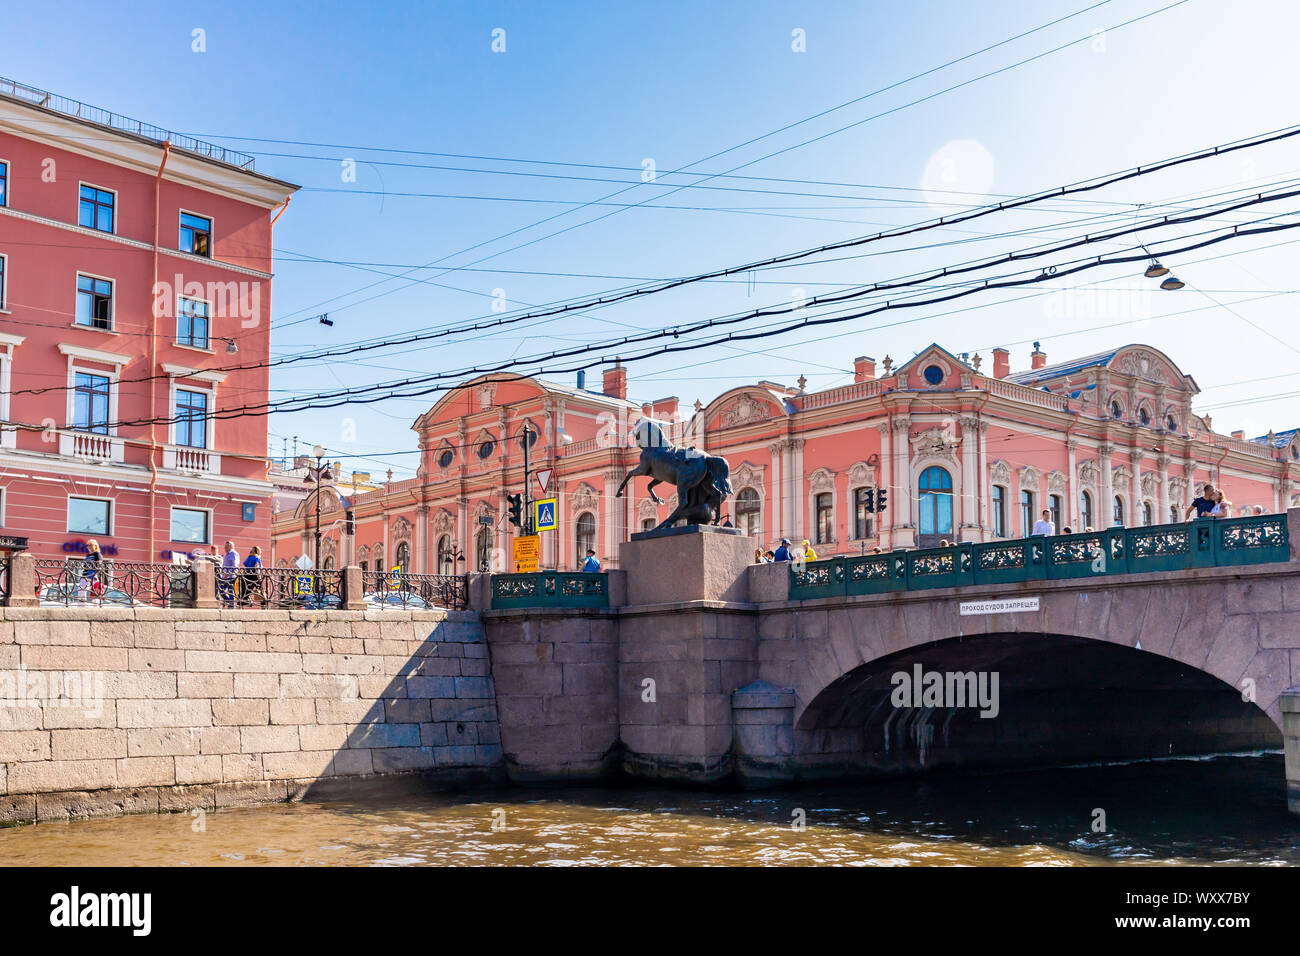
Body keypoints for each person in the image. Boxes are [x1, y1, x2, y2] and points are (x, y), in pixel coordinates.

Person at [76, 539, 103, 604]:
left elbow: (99, 563)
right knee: (81, 590)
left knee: (95, 591)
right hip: (85, 575)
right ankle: (81, 606)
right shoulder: (88, 555)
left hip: (93, 575)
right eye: (88, 545)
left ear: (95, 546)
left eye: (91, 545)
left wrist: (96, 571)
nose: (89, 547)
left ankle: (96, 606)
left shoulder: (97, 553)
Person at [219, 541, 240, 606]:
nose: (224, 548)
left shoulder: (233, 553)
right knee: (221, 590)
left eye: (226, 546)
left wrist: (228, 573)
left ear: (230, 546)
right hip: (225, 576)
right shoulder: (228, 554)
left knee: (230, 590)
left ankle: (231, 605)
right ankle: (230, 603)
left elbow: (235, 565)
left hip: (231, 576)